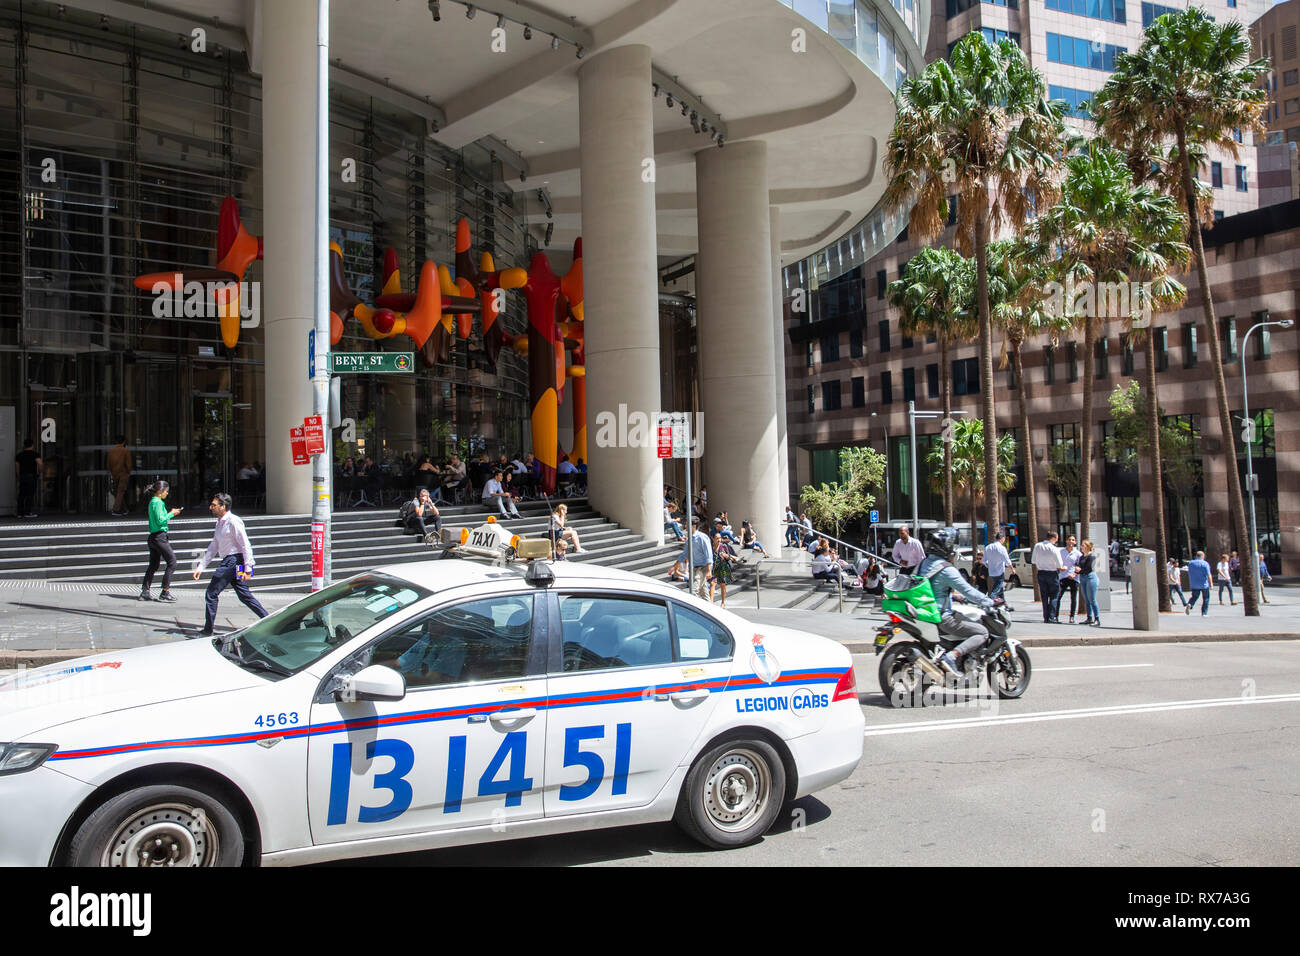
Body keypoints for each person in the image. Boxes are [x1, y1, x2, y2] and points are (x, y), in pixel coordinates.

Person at [915, 528, 1001, 678]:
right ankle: (951, 656)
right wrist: (989, 602)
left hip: (923, 613)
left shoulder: (923, 564)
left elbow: (930, 589)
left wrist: (954, 598)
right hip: (942, 616)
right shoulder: (946, 569)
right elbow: (969, 591)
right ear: (945, 547)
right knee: (982, 632)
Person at [192, 492, 268, 637]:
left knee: (211, 593)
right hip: (232, 561)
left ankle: (208, 630)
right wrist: (201, 566)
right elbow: (214, 546)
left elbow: (245, 544)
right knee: (244, 595)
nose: (210, 507)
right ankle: (268, 619)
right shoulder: (219, 523)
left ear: (223, 506)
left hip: (233, 562)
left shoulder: (234, 521)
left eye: (214, 505)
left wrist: (248, 568)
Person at [139, 480, 182, 602]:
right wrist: (171, 514)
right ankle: (165, 591)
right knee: (172, 562)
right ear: (160, 491)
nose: (167, 494)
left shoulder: (153, 502)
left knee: (153, 565)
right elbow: (160, 520)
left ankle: (145, 591)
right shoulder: (158, 503)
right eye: (166, 491)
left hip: (153, 537)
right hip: (160, 537)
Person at [672, 515, 713, 598]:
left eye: (687, 524)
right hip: (694, 568)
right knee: (704, 592)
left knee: (693, 591)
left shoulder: (702, 538)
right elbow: (685, 553)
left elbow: (708, 554)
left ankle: (693, 610)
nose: (685, 526)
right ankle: (709, 609)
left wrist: (709, 570)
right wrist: (675, 565)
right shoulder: (689, 538)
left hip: (702, 568)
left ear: (693, 526)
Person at [1032, 530, 1065, 623]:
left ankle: (1046, 617)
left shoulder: (1037, 546)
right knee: (1054, 596)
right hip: (1052, 573)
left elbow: (1033, 560)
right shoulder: (1054, 548)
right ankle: (1051, 616)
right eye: (1057, 538)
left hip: (1041, 572)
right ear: (1053, 538)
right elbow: (1059, 564)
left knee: (1044, 596)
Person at [1056, 534, 1082, 624]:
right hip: (1063, 576)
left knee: (1073, 598)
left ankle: (1072, 617)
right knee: (1058, 596)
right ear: (1066, 541)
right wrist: (1060, 568)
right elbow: (1056, 563)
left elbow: (1080, 566)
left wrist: (1074, 574)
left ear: (1075, 542)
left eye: (1073, 540)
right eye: (1069, 539)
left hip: (1073, 578)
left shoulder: (1078, 553)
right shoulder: (1061, 552)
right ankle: (1055, 616)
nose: (1071, 541)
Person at [13, 438, 41, 518]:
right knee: (30, 494)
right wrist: (40, 473)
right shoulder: (35, 454)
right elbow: (40, 464)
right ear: (32, 445)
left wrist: (18, 476)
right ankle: (27, 512)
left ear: (24, 445)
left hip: (22, 476)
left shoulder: (19, 455)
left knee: (21, 494)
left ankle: (19, 513)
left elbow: (17, 467)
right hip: (31, 476)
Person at [709, 531, 738, 607]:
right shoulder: (711, 547)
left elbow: (729, 558)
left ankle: (723, 602)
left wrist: (725, 556)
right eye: (717, 538)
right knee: (712, 583)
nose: (719, 540)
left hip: (723, 568)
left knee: (722, 585)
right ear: (713, 539)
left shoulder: (724, 546)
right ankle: (711, 602)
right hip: (714, 568)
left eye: (720, 538)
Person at [983, 531, 1012, 601]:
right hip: (999, 572)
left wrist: (989, 565)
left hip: (992, 572)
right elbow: (1007, 561)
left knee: (1000, 589)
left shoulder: (988, 547)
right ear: (1002, 538)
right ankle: (990, 600)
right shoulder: (1002, 548)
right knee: (996, 590)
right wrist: (1012, 569)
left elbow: (984, 561)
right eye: (1004, 539)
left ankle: (1004, 604)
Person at [107, 435, 132, 515]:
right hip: (123, 473)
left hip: (114, 473)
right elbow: (128, 464)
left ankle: (124, 509)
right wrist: (128, 472)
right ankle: (116, 509)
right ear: (124, 441)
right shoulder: (125, 451)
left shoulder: (111, 451)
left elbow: (108, 464)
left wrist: (112, 472)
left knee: (117, 492)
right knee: (120, 491)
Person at [1078, 540, 1100, 626]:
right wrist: (1077, 570)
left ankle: (1097, 619)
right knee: (1086, 600)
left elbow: (1088, 568)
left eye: (1083, 546)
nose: (1081, 547)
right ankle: (1089, 618)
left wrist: (1079, 570)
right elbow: (1079, 566)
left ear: (1087, 547)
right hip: (1083, 578)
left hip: (1090, 578)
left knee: (1092, 599)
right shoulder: (1081, 557)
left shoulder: (1091, 556)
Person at [1185, 550, 1212, 616]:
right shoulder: (1205, 563)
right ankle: (1204, 613)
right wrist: (1211, 583)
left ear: (1196, 556)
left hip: (1194, 584)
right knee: (1206, 598)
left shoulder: (1191, 563)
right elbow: (1209, 574)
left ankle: (1190, 604)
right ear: (1202, 556)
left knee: (1194, 596)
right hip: (1204, 584)